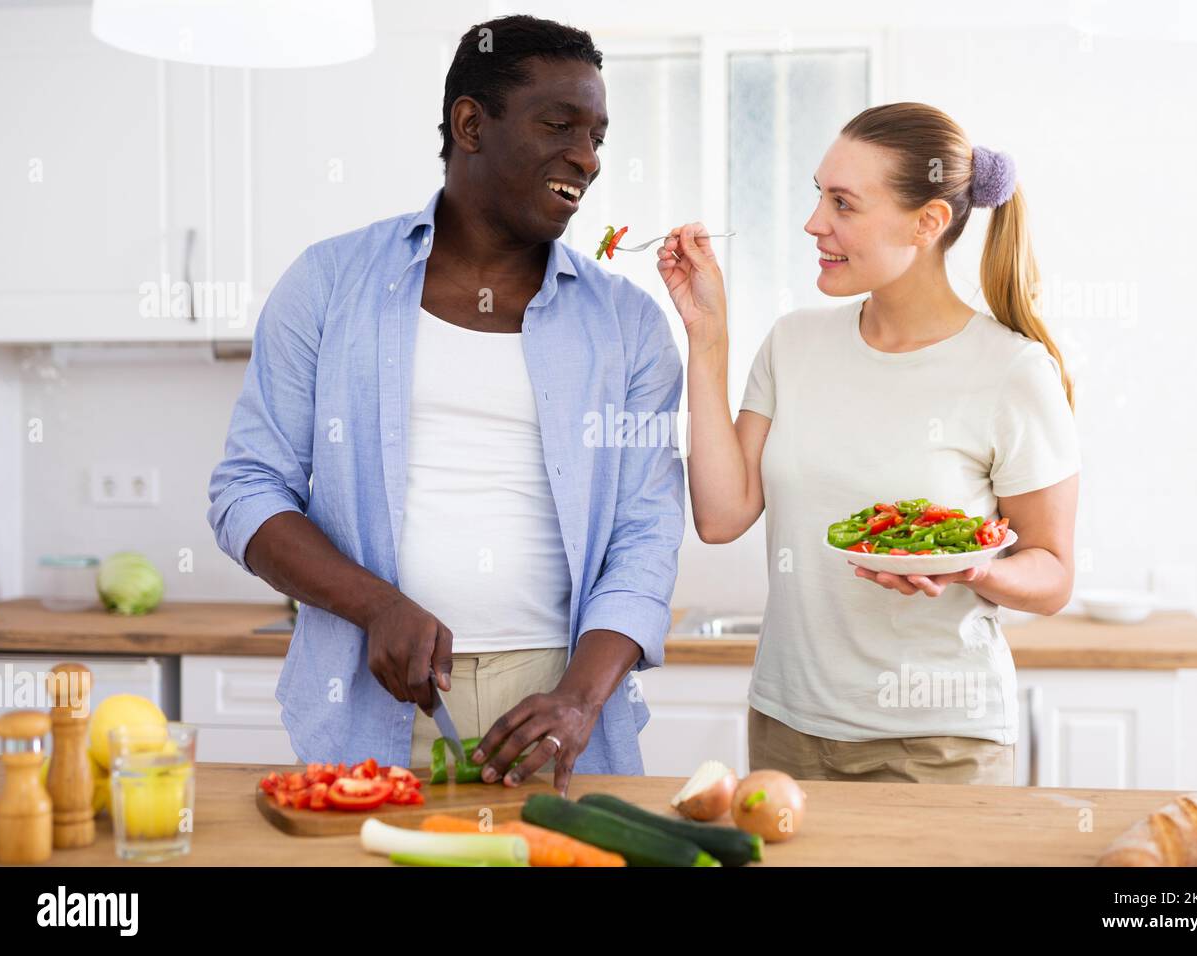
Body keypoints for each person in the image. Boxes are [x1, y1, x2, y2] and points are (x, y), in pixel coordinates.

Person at [207, 15, 684, 794]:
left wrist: (577, 699)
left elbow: (646, 534)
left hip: (557, 702)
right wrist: (378, 608)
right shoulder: (329, 284)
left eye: (597, 135)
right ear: (471, 123)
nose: (587, 158)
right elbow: (247, 491)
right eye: (559, 125)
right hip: (373, 690)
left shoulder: (628, 325)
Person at [656, 102, 1079, 784]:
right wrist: (707, 334)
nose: (814, 222)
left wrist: (973, 569)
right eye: (818, 195)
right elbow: (720, 515)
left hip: (939, 742)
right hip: (787, 727)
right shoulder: (793, 344)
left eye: (843, 203)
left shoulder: (1012, 372)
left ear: (928, 223)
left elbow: (1052, 573)